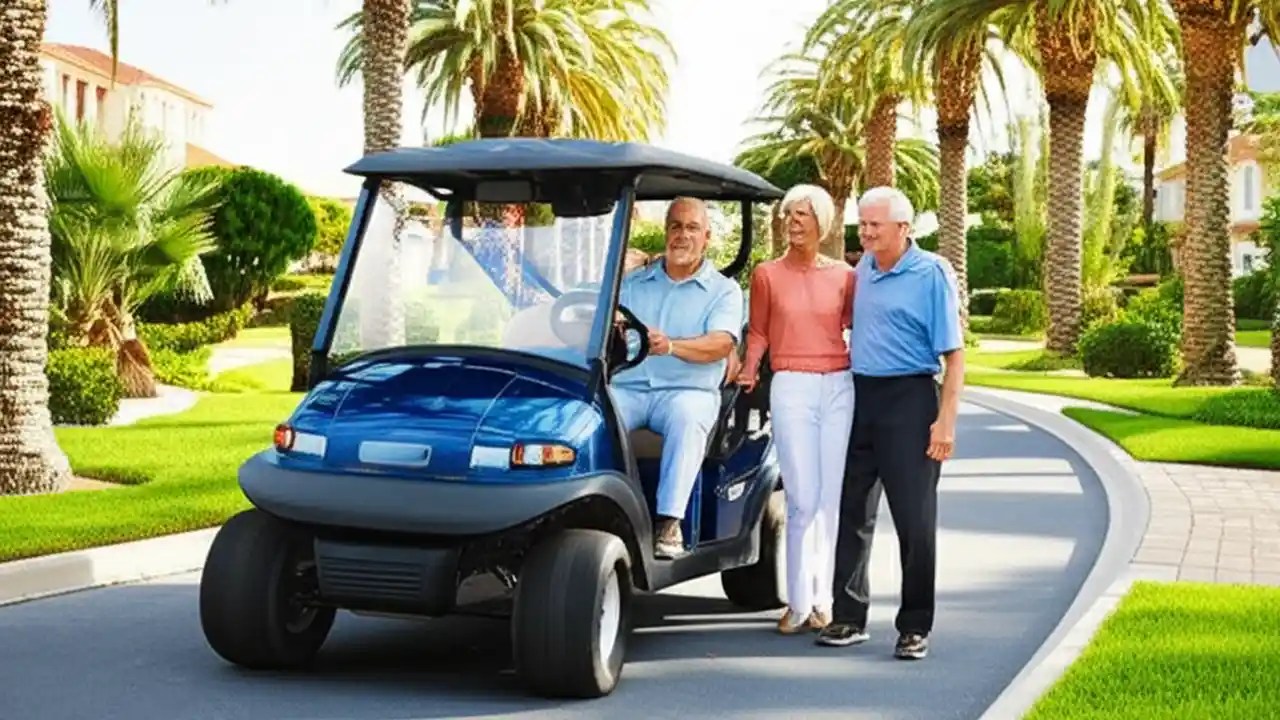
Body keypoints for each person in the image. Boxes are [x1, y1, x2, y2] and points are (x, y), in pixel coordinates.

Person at [816, 186, 965, 661]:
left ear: (904, 228)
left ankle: (915, 626)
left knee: (914, 520)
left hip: (910, 400)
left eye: (874, 224)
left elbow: (955, 356)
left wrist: (945, 422)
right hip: (861, 397)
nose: (865, 231)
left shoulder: (931, 274)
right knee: (852, 511)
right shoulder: (864, 268)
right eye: (862, 223)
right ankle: (848, 617)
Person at [736, 184, 856, 635]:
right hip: (790, 386)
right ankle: (797, 603)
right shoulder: (766, 274)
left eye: (802, 215)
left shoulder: (845, 276)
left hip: (838, 386)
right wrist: (749, 369)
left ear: (821, 222)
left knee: (829, 499)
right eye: (789, 214)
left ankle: (824, 601)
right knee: (801, 499)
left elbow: (857, 328)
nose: (793, 222)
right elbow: (759, 332)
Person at [612, 197, 744, 558]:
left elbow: (720, 344)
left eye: (692, 228)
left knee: (687, 418)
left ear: (707, 237)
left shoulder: (723, 290)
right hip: (629, 387)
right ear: (666, 231)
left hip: (688, 391)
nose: (682, 235)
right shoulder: (634, 283)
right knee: (591, 416)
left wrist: (671, 346)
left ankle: (669, 522)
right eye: (676, 226)